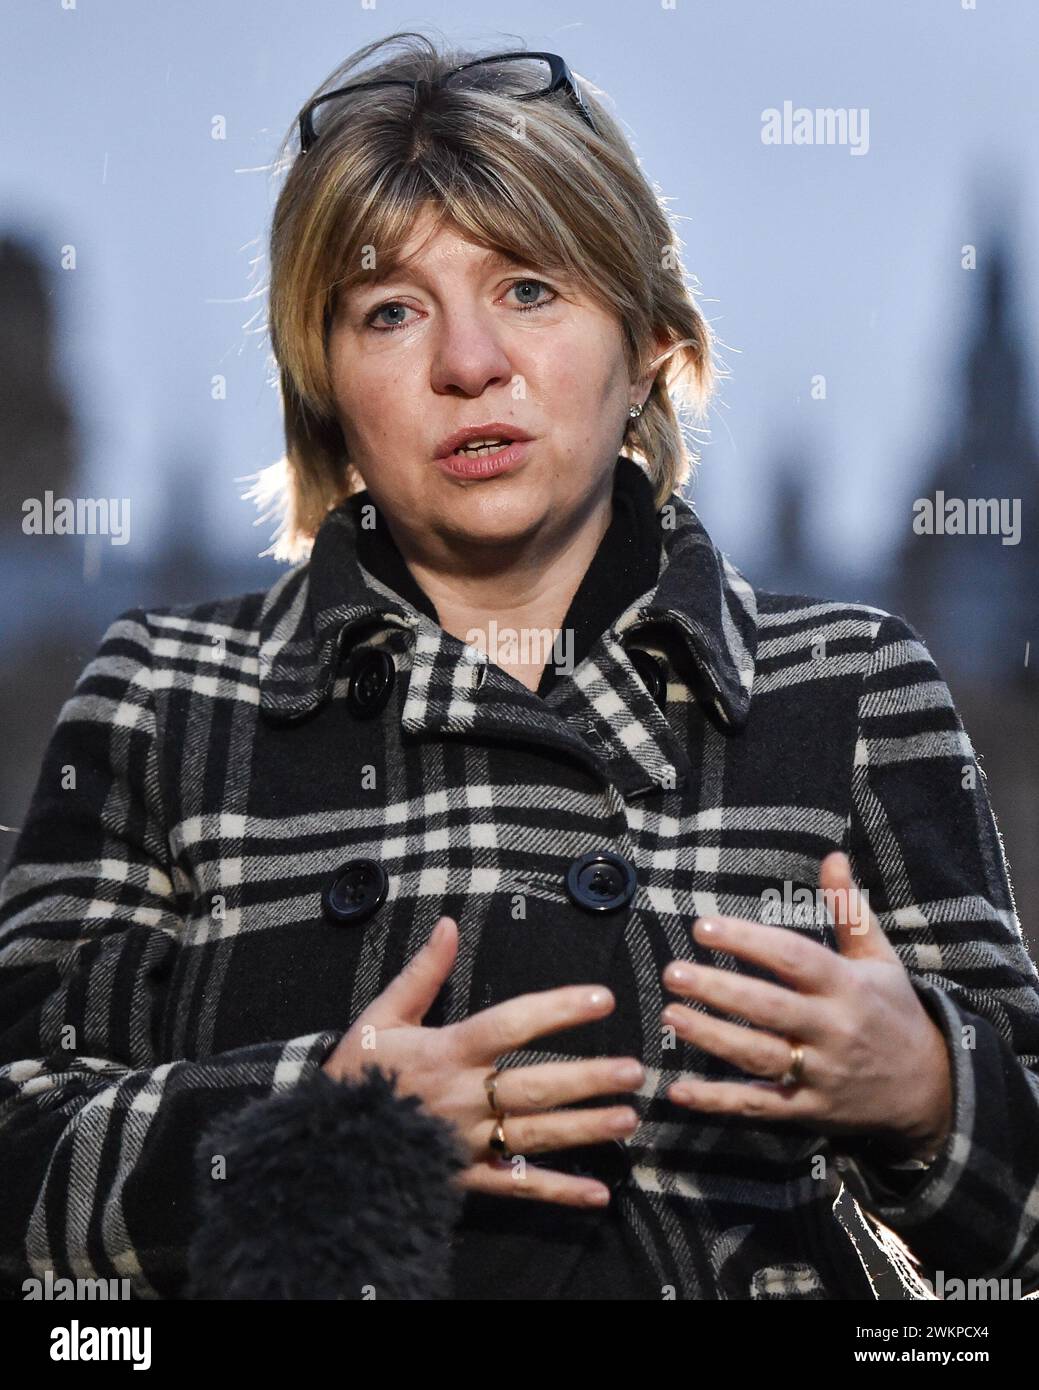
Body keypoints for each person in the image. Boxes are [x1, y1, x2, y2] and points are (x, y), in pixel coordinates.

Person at [2, 29, 1039, 1302]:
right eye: (391, 311)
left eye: (530, 290)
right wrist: (319, 1126)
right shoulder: (163, 699)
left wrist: (933, 1094)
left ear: (652, 334)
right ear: (324, 384)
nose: (467, 363)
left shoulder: (851, 689)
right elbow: (17, 1153)